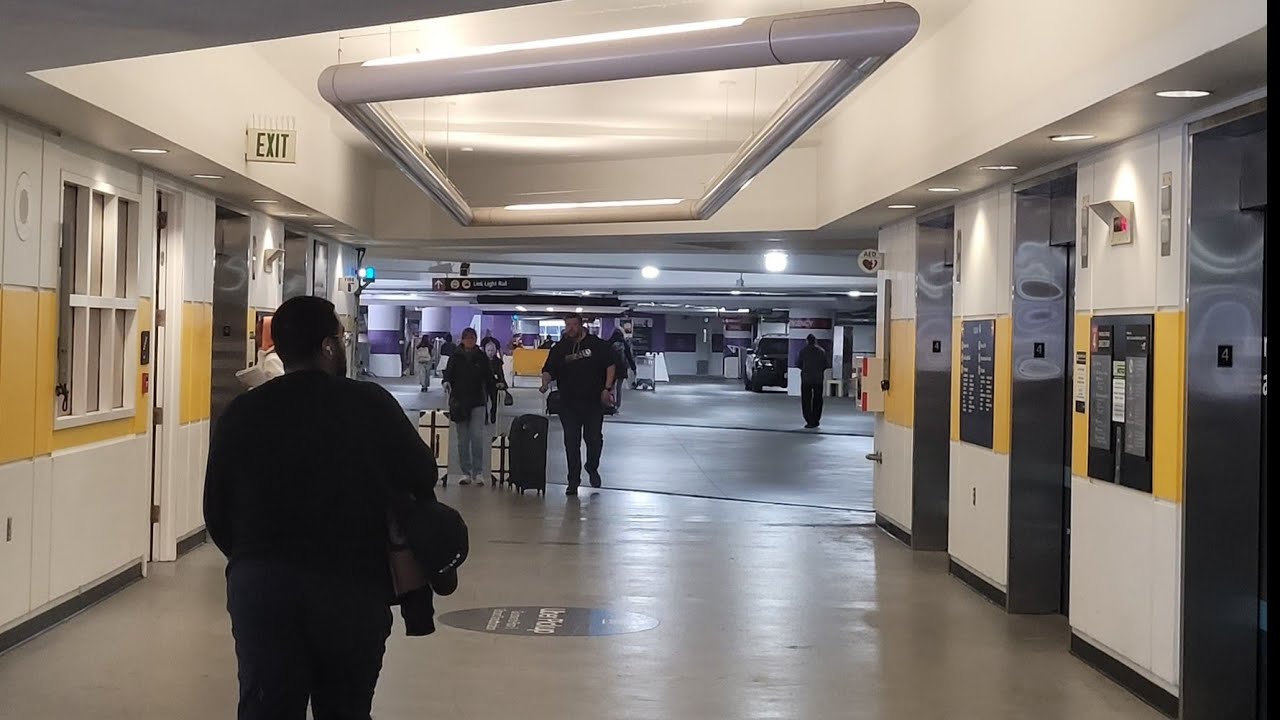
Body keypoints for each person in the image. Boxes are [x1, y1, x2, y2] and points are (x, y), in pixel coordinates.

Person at [204, 296, 440, 720]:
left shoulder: (244, 412)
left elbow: (216, 509)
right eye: (341, 337)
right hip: (350, 585)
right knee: (345, 708)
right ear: (329, 346)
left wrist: (257, 558)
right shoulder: (369, 404)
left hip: (264, 587)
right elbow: (422, 475)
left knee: (267, 708)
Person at [541, 313, 617, 495]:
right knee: (571, 442)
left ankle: (591, 467)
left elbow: (611, 365)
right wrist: (544, 382)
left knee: (594, 439)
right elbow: (549, 369)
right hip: (568, 402)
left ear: (581, 326)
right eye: (567, 325)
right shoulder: (560, 348)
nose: (570, 328)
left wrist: (607, 388)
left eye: (573, 325)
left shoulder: (597, 345)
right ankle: (573, 480)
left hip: (592, 402)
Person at [443, 328, 495, 486]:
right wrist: (445, 382)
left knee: (477, 438)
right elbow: (448, 374)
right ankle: (465, 472)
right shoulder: (455, 356)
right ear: (463, 339)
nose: (470, 341)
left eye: (473, 338)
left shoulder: (481, 357)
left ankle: (478, 472)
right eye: (467, 338)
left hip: (478, 402)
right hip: (459, 402)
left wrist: (493, 404)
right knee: (462, 440)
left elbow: (489, 379)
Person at [796, 333, 831, 429]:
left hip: (806, 380)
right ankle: (816, 420)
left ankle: (809, 420)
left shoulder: (803, 351)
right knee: (818, 400)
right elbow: (826, 364)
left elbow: (798, 364)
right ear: (815, 341)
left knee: (806, 400)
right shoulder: (821, 351)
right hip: (818, 379)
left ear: (807, 341)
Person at [608, 328, 636, 411]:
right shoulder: (624, 344)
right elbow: (629, 356)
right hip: (622, 368)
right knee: (619, 387)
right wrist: (633, 367)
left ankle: (610, 403)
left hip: (611, 368)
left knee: (610, 387)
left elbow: (604, 356)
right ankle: (618, 405)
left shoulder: (609, 343)